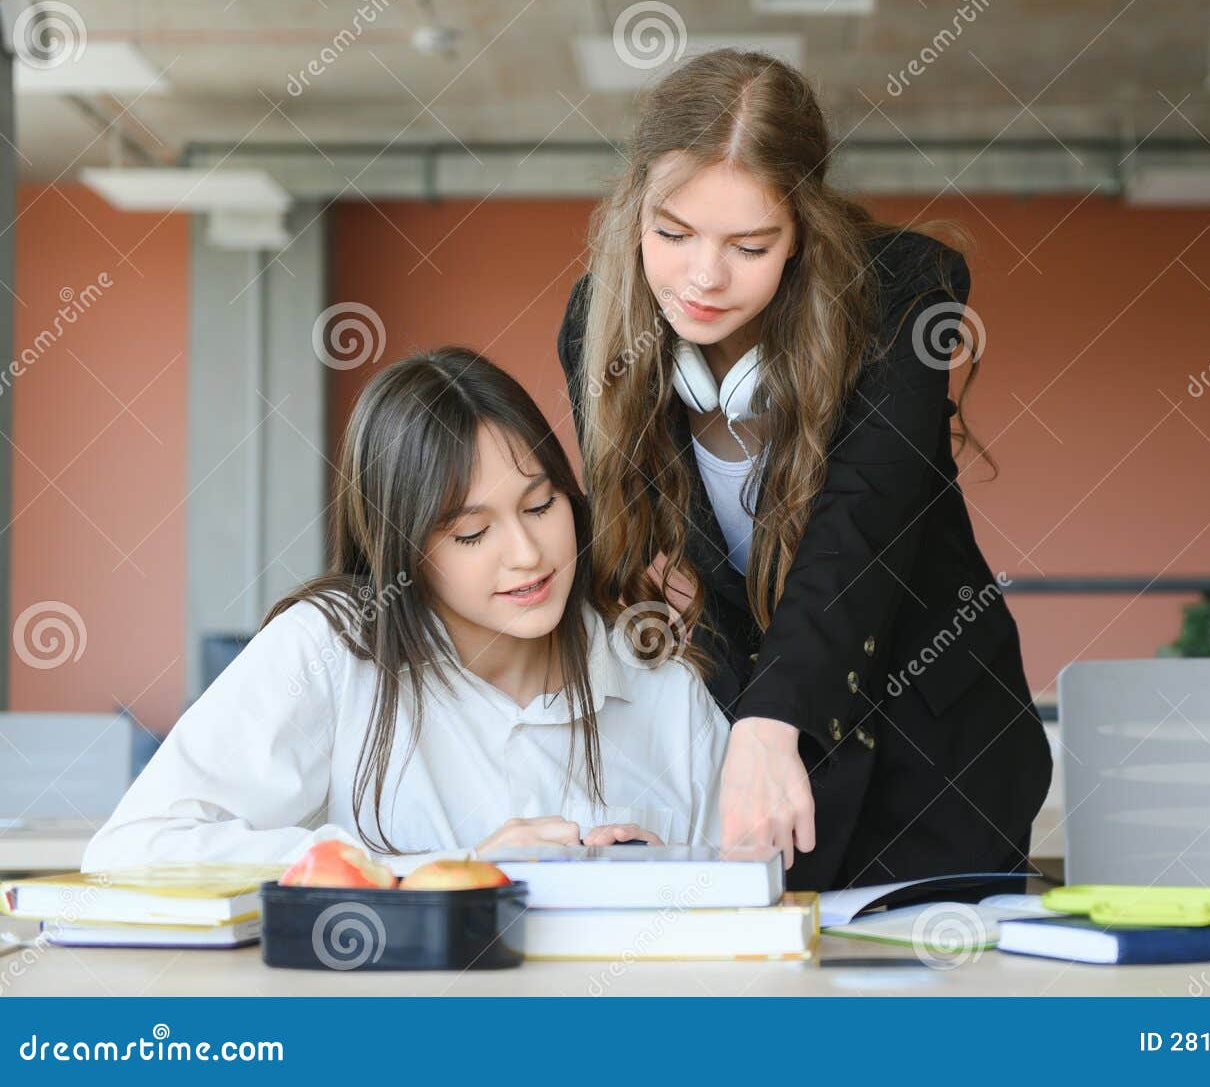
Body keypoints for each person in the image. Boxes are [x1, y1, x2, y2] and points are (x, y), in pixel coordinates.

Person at [557, 48, 1051, 890]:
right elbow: (658, 560)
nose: (703, 278)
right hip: (751, 755)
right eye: (671, 234)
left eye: (750, 245)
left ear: (802, 232)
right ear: (635, 207)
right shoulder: (594, 325)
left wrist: (773, 717)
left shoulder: (901, 293)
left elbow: (861, 523)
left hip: (935, 754)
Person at [83, 348, 727, 871]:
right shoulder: (332, 648)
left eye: (540, 506)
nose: (528, 554)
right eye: (471, 533)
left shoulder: (660, 685)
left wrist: (667, 882)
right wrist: (444, 870)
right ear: (403, 548)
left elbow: (751, 900)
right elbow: (136, 849)